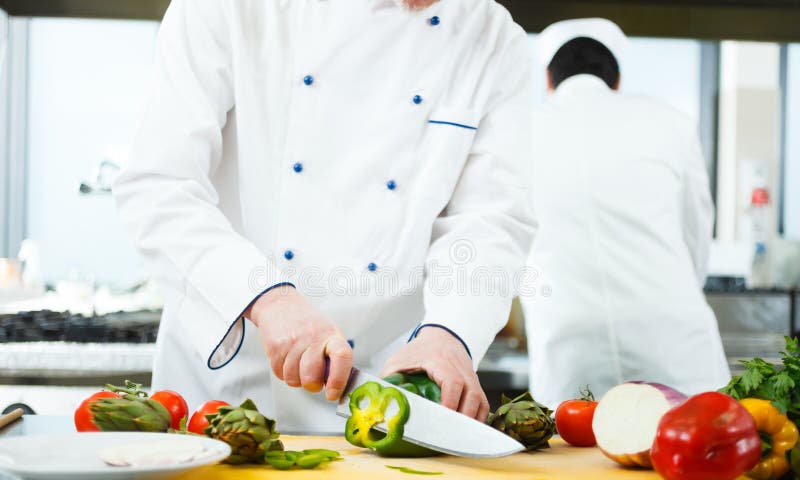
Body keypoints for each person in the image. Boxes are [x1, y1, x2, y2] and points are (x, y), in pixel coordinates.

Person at [114, 0, 536, 433]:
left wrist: (451, 333)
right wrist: (269, 298)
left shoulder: (493, 36)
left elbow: (493, 219)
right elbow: (160, 183)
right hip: (232, 391)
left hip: (390, 396)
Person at [521, 18, 730, 408]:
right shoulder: (671, 123)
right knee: (699, 452)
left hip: (568, 344)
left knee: (574, 461)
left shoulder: (521, 131)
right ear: (616, 80)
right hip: (673, 336)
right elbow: (696, 236)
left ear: (548, 81)